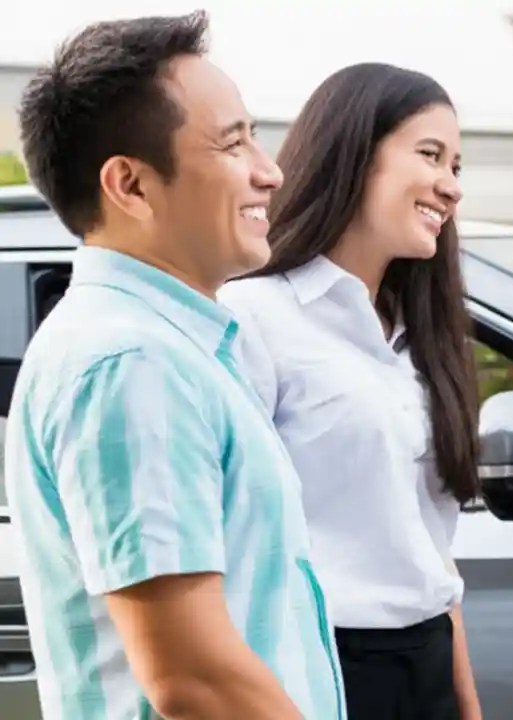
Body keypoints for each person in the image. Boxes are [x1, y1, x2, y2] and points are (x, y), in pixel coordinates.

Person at [2, 11, 345, 720]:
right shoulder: (131, 362)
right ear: (129, 185)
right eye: (233, 143)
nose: (270, 170)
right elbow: (193, 677)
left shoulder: (172, 348)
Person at [218, 63, 482, 720]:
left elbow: (432, 563)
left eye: (458, 166)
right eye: (431, 156)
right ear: (357, 155)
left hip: (428, 668)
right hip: (319, 670)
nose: (450, 186)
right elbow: (226, 542)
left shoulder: (422, 339)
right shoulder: (252, 317)